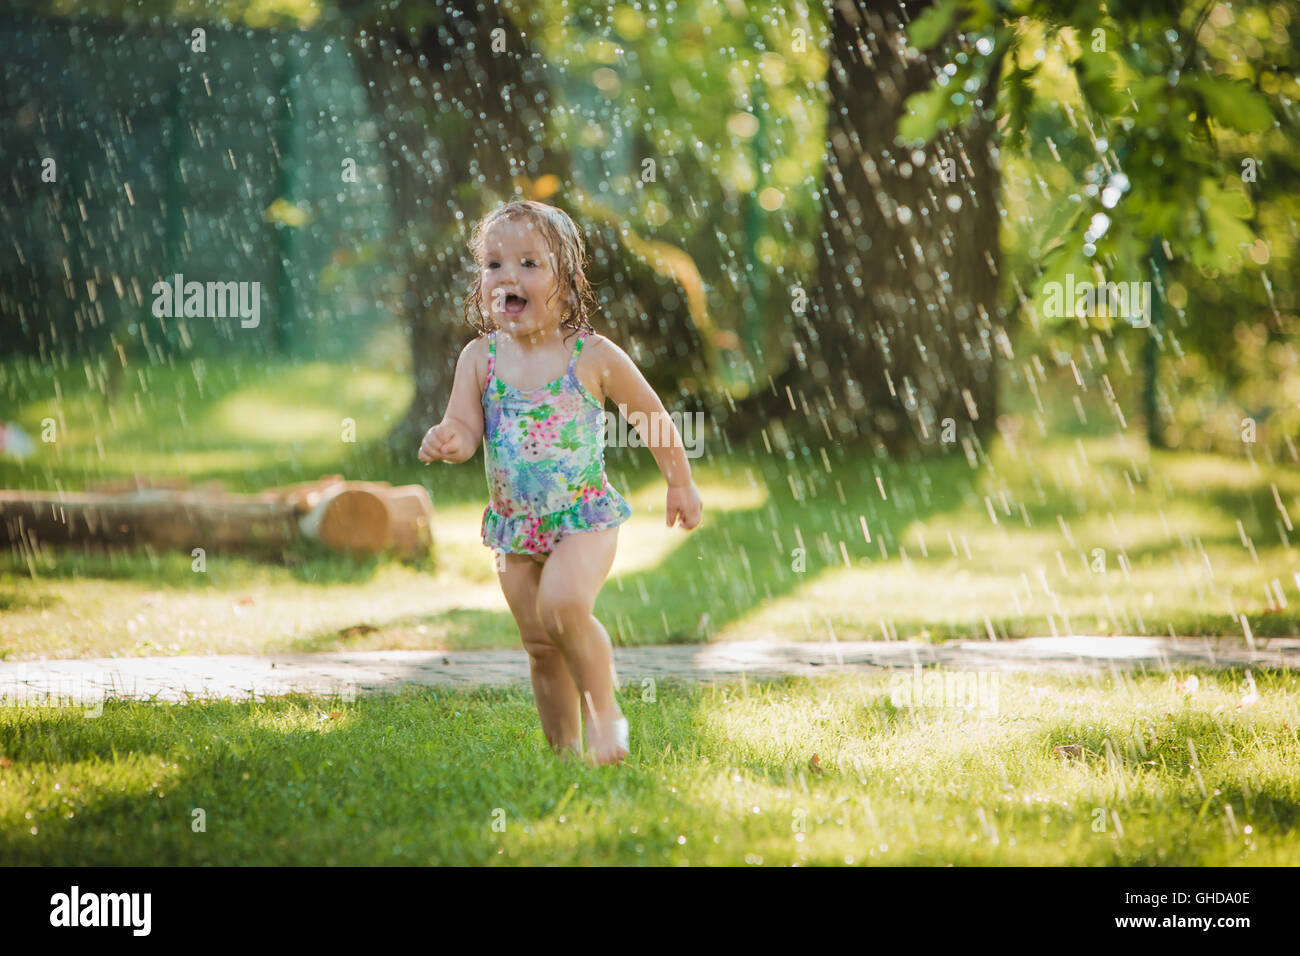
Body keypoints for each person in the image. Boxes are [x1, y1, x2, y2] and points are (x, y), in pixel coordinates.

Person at [418, 199, 704, 766]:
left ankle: (606, 720)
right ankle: (565, 757)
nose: (508, 277)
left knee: (566, 607)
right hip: (514, 528)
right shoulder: (480, 358)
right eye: (494, 264)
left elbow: (651, 416)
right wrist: (449, 437)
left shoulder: (591, 356)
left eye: (529, 264)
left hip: (582, 517)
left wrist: (679, 483)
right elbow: (466, 425)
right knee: (540, 644)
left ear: (568, 288)